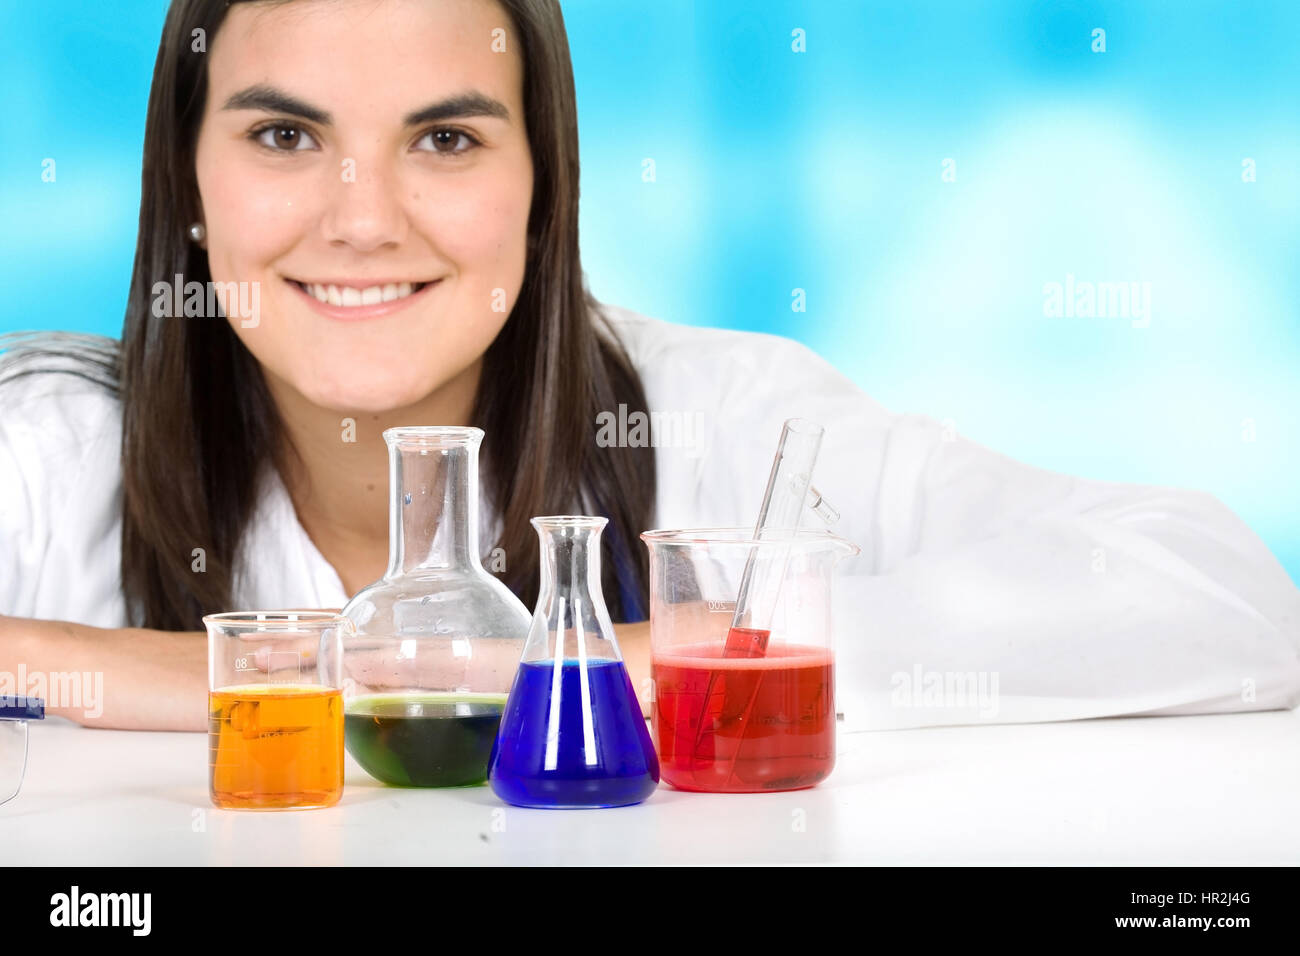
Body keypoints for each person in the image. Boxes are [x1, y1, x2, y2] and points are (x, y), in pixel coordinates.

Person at [2, 0, 1297, 733]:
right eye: (286, 136)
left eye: (445, 141)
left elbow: (1225, 598)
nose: (362, 219)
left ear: (543, 190)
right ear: (187, 184)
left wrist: (627, 657)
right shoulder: (51, 459)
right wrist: (306, 678)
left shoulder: (725, 425)